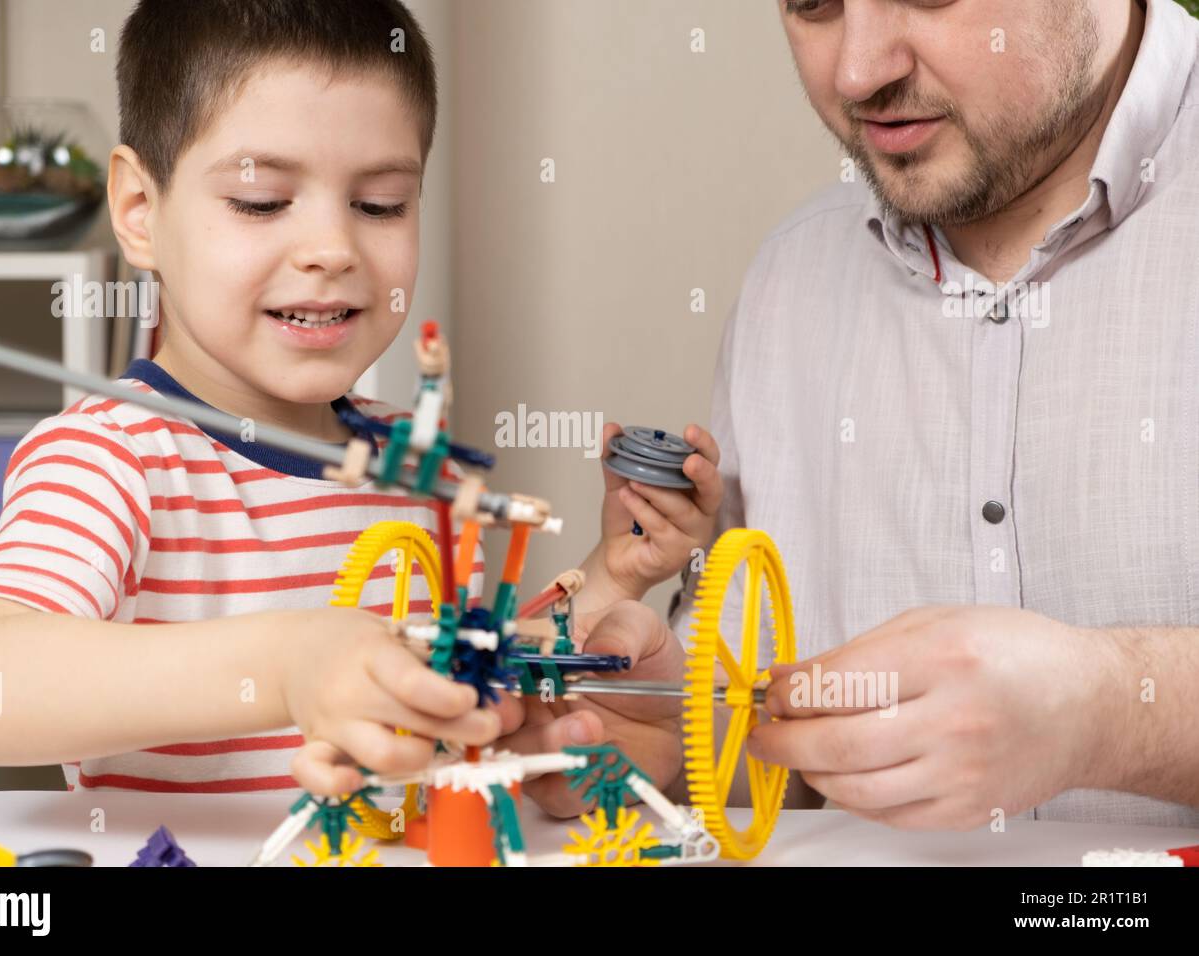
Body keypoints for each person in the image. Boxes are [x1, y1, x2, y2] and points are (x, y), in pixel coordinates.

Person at [500, 0, 1199, 830]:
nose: (858, 72)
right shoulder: (790, 281)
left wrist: (1113, 710)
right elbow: (787, 757)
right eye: (813, 4)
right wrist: (684, 749)